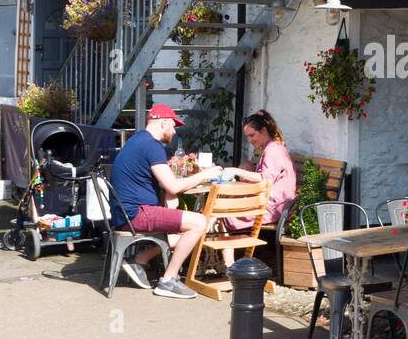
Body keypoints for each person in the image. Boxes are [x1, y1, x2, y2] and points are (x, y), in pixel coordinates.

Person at [110, 103, 222, 298]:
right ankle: (168, 281)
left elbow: (166, 186)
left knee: (188, 229)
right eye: (173, 126)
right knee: (199, 222)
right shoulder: (152, 146)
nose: (174, 131)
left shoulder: (137, 140)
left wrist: (171, 194)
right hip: (136, 213)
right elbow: (173, 186)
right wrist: (206, 174)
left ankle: (139, 259)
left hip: (125, 213)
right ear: (163, 123)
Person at [217, 110, 297, 269]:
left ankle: (230, 265)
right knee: (222, 212)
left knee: (223, 215)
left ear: (264, 131)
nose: (249, 140)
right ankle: (230, 263)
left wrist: (237, 171)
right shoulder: (273, 146)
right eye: (247, 136)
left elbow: (266, 179)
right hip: (274, 204)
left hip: (274, 208)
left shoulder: (273, 149)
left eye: (252, 135)